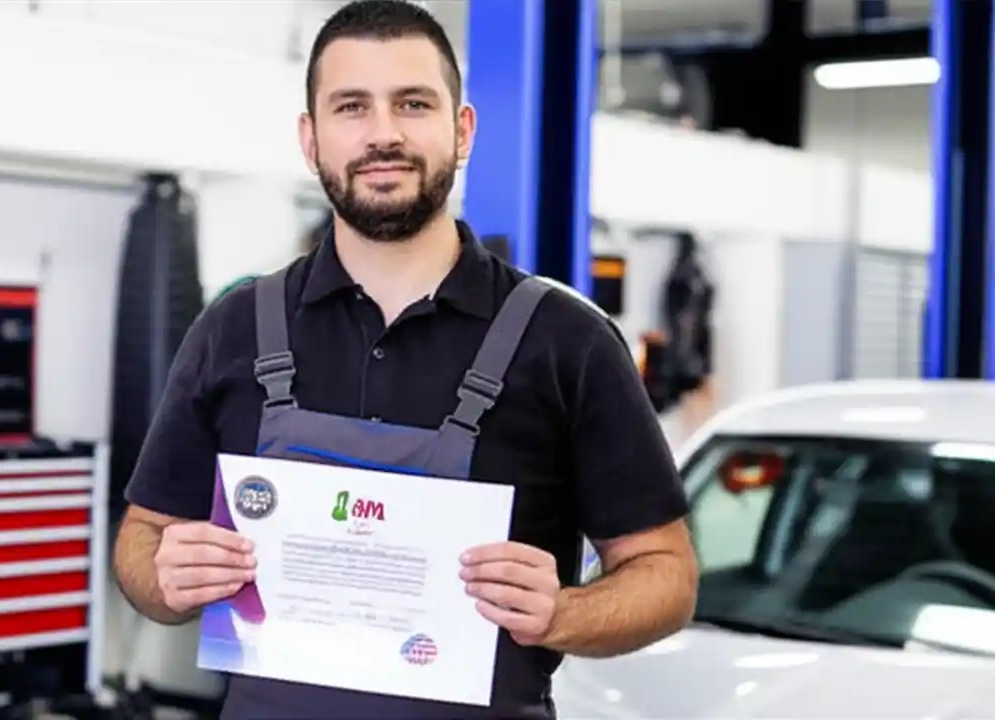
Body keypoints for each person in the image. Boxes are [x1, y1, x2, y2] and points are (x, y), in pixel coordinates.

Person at [113, 1, 698, 718]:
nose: (382, 133)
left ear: (463, 130)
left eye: (413, 104)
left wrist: (563, 613)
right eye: (352, 107)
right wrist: (163, 579)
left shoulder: (567, 341)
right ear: (312, 138)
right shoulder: (233, 329)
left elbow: (666, 574)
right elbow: (141, 540)